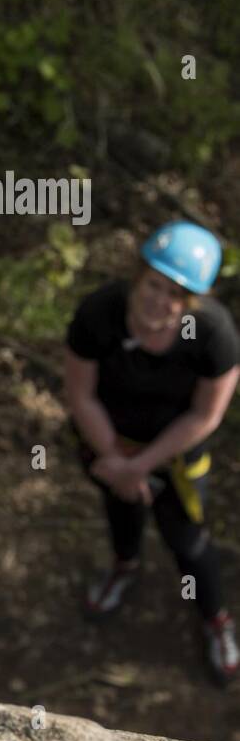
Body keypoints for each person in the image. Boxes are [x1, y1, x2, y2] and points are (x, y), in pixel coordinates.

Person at [64, 220, 239, 685]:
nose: (159, 302)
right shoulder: (99, 314)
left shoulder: (212, 334)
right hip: (107, 443)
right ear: (138, 277)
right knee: (120, 509)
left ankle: (216, 619)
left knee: (187, 539)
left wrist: (137, 466)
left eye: (175, 295)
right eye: (153, 285)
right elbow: (81, 395)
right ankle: (124, 568)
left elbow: (205, 414)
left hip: (173, 455)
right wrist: (117, 463)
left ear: (190, 302)